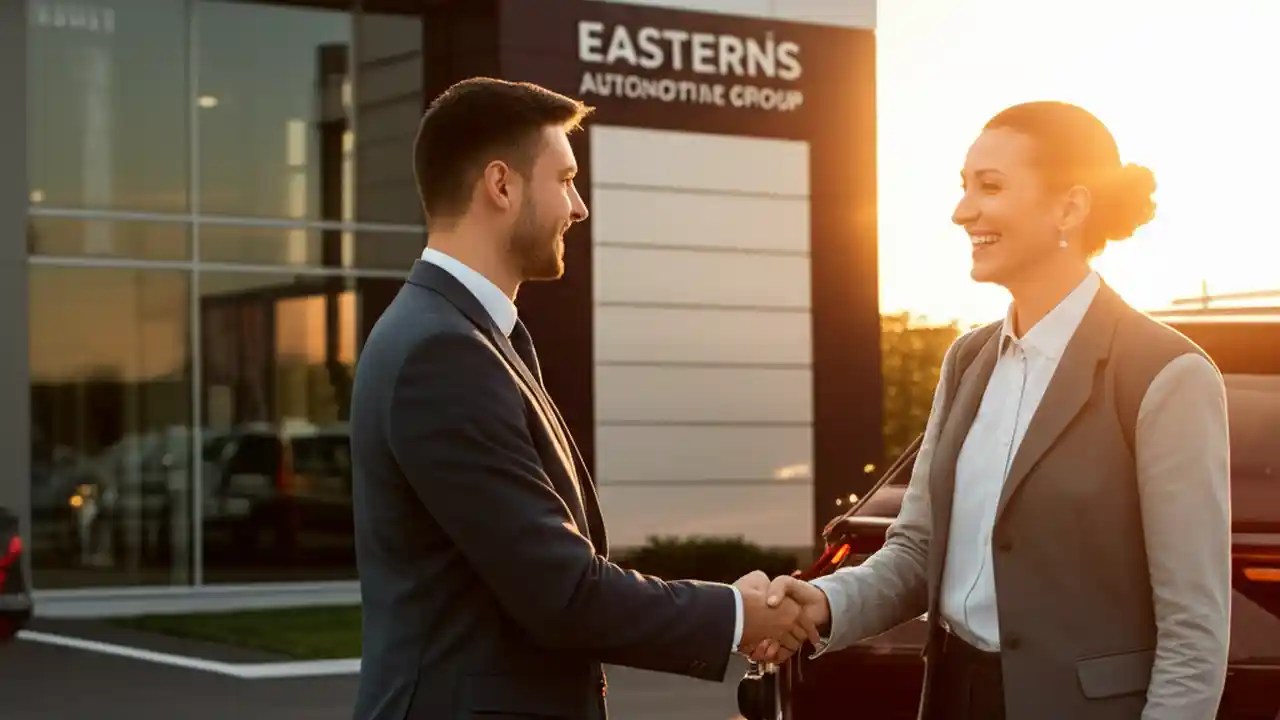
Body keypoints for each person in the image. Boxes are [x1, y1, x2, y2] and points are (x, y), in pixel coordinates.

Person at [348, 77, 818, 720]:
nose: (579, 207)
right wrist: (739, 614)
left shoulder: (465, 335)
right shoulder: (443, 353)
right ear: (502, 185)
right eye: (565, 179)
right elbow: (563, 591)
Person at [762, 101, 1231, 719]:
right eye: (964, 187)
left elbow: (1194, 634)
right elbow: (917, 552)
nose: (962, 212)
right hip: (958, 699)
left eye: (990, 187)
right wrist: (819, 602)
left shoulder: (1166, 375)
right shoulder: (967, 360)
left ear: (1070, 207)